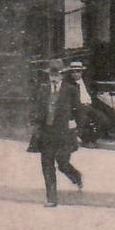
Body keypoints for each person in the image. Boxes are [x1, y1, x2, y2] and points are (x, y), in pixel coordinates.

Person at [27, 59, 84, 207]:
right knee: (47, 164)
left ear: (62, 75)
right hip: (47, 133)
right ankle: (51, 198)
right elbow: (37, 108)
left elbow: (79, 112)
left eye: (56, 74)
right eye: (51, 75)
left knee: (63, 163)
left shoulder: (71, 90)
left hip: (64, 134)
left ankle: (76, 176)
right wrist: (34, 123)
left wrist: (78, 132)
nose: (53, 78)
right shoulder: (43, 90)